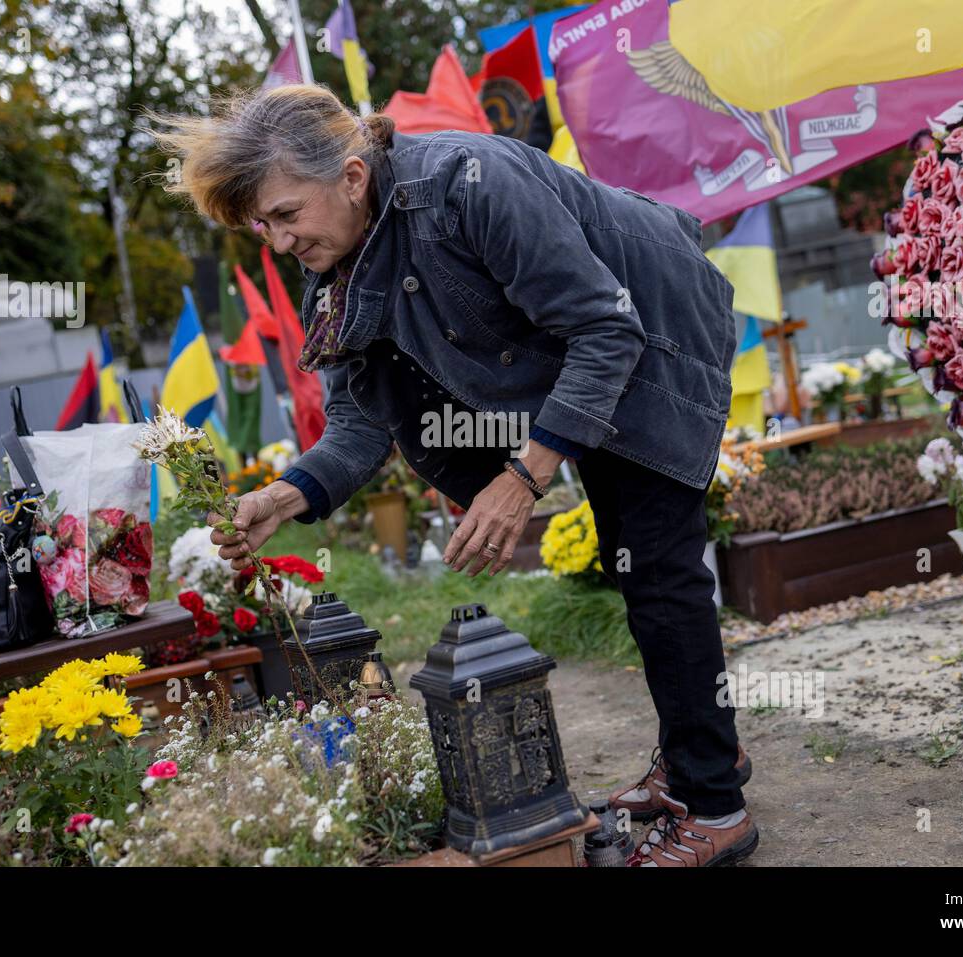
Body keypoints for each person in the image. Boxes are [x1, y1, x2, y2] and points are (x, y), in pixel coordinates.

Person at [151, 83, 756, 866]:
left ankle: (716, 807)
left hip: (652, 337)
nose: (276, 241)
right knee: (632, 562)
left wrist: (523, 475)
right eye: (261, 225)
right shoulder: (333, 267)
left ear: (352, 176)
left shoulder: (467, 181)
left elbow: (607, 328)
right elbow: (361, 417)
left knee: (660, 575)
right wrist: (287, 492)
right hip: (582, 359)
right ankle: (700, 756)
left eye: (285, 214)